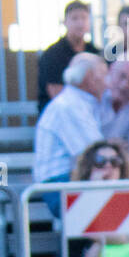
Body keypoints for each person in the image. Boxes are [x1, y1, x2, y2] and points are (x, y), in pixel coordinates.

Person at [34, 53, 109, 217]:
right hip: (61, 184)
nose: (107, 82)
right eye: (104, 75)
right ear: (90, 79)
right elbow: (96, 154)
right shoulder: (69, 106)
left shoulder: (80, 102)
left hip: (71, 181)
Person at [36, 0, 100, 112]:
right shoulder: (52, 55)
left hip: (90, 113)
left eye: (84, 18)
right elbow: (56, 93)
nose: (80, 23)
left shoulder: (95, 52)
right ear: (65, 22)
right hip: (60, 116)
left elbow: (101, 88)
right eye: (74, 18)